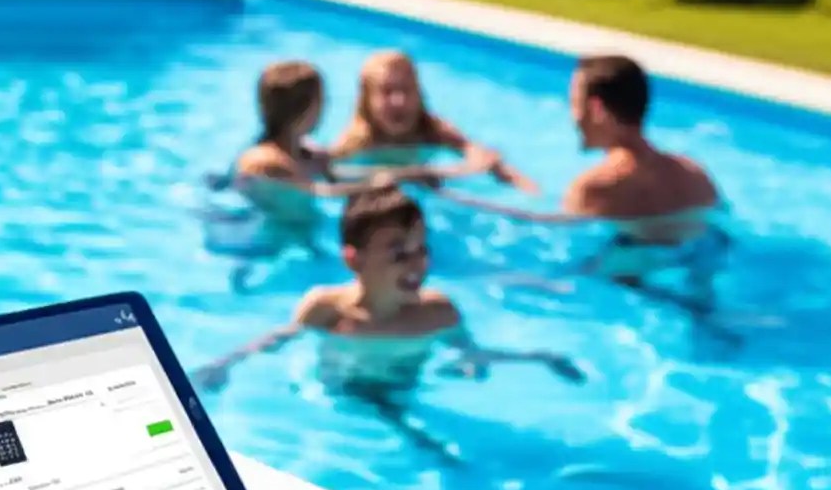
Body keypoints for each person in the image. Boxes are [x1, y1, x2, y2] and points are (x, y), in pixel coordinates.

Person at [191, 186, 584, 459]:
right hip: (339, 391)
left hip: (401, 388)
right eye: (398, 254)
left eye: (421, 250)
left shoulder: (437, 313)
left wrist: (539, 358)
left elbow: (472, 352)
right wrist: (224, 365)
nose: (416, 264)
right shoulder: (327, 309)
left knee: (419, 435)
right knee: (414, 437)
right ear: (354, 259)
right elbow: (280, 339)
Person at [438, 54, 730, 316]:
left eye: (574, 103)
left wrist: (454, 198)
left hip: (629, 287)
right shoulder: (696, 173)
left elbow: (552, 234)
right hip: (690, 274)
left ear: (596, 108)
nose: (573, 116)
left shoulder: (597, 188)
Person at [201, 60, 427, 289]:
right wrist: (378, 183)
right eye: (321, 100)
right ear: (306, 109)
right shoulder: (263, 161)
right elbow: (321, 191)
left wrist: (404, 174)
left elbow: (339, 177)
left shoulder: (307, 152)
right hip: (254, 239)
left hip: (296, 229)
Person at [329, 50, 540, 194]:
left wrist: (519, 184)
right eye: (387, 92)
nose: (399, 101)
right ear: (367, 101)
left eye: (406, 90)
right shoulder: (359, 140)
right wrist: (414, 174)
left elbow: (476, 152)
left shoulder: (431, 129)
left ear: (419, 94)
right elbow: (329, 174)